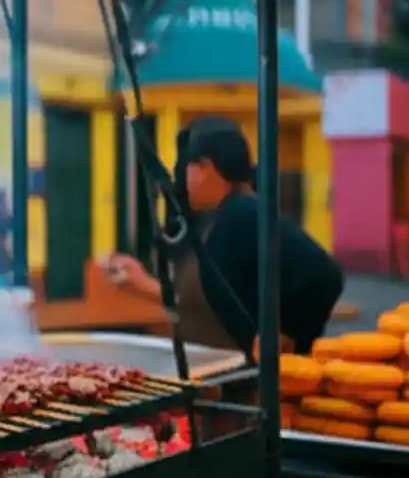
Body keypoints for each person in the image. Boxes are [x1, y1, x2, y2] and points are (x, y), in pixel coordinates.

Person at [104, 116, 344, 359]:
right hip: (214, 375)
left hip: (243, 387)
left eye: (186, 168)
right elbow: (208, 305)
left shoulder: (244, 213)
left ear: (205, 169)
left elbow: (325, 275)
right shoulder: (218, 219)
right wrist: (139, 282)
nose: (183, 182)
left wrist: (286, 334)